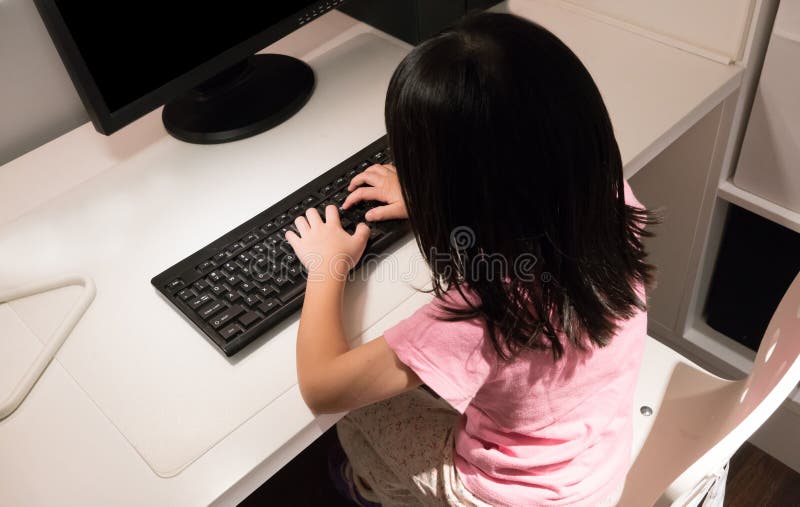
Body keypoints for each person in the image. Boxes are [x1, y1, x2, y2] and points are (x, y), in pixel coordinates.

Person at [285, 11, 656, 507]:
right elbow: (519, 186)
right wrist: (436, 198)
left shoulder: (487, 308)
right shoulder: (608, 199)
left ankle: (373, 486)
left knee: (356, 419)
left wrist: (326, 265)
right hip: (593, 462)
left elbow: (322, 387)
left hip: (507, 494)